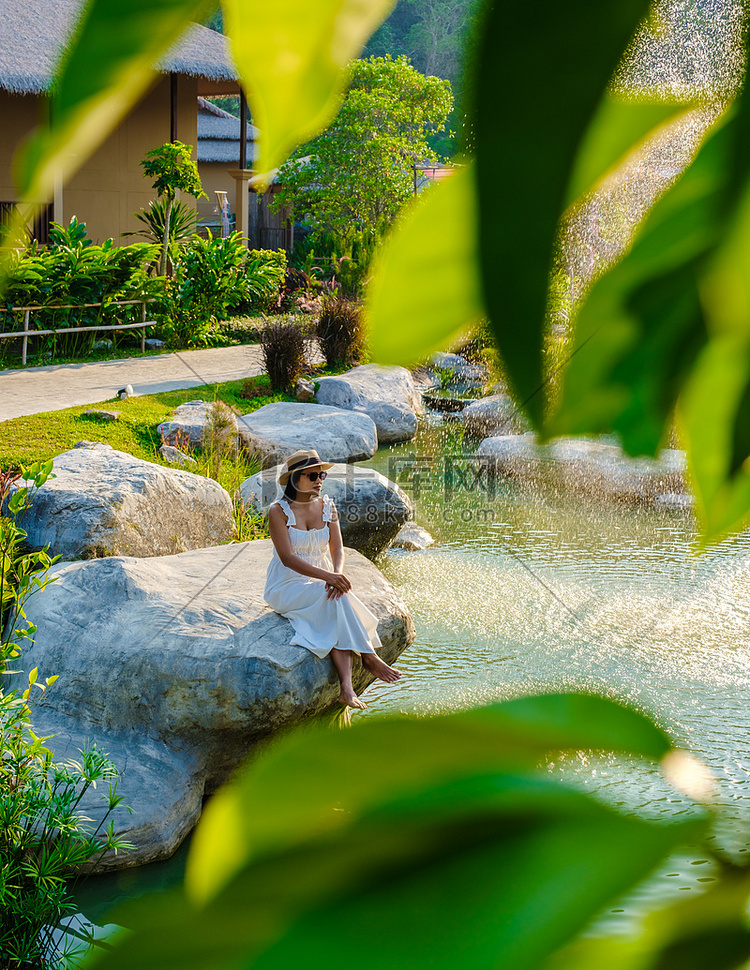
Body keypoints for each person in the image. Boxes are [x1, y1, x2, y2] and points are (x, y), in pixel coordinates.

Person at [265, 449, 401, 709]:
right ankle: (368, 655)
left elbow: (337, 549)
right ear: (295, 479)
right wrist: (328, 576)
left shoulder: (328, 506)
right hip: (287, 585)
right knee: (333, 597)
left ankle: (346, 688)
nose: (319, 480)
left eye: (322, 475)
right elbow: (287, 558)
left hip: (322, 580)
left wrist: (336, 574)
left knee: (334, 599)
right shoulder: (278, 511)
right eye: (313, 475)